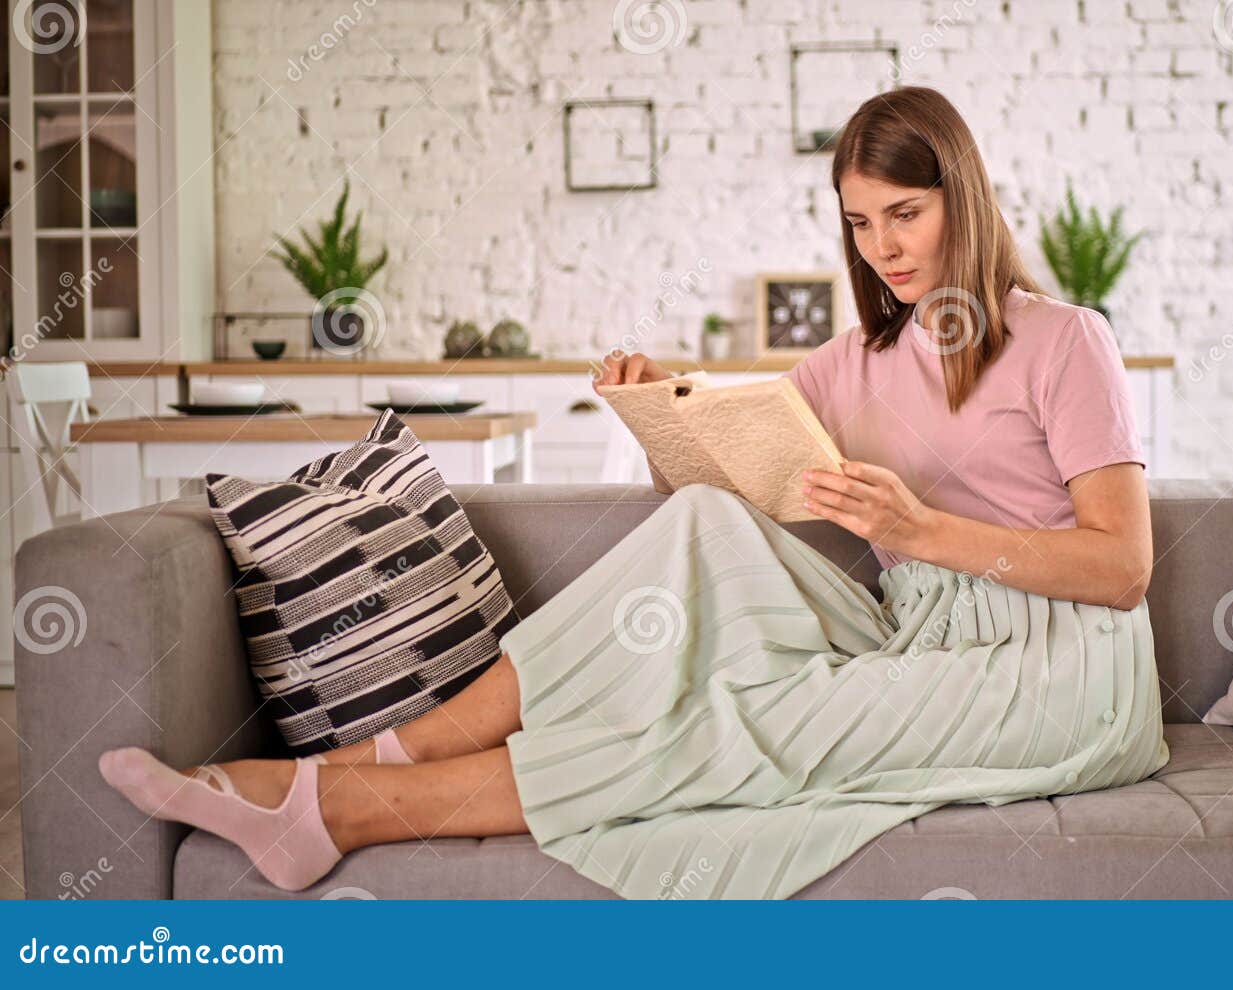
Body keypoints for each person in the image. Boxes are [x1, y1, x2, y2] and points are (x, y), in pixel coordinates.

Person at [97, 85, 1169, 899]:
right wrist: (661, 413)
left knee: (745, 721)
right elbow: (715, 488)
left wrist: (922, 529)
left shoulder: (1065, 341)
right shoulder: (856, 360)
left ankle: (339, 801)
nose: (881, 247)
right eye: (856, 222)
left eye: (904, 214)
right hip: (915, 630)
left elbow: (1121, 571)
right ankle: (403, 741)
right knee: (704, 520)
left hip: (1060, 664)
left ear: (961, 202)